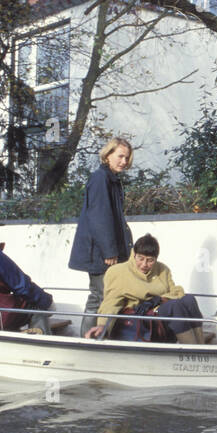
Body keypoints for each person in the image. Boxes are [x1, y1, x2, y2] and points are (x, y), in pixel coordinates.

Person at [84, 234, 207, 344]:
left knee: (189, 300)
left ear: (156, 259)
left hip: (157, 309)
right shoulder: (119, 272)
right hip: (138, 315)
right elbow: (110, 302)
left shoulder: (162, 269)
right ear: (134, 255)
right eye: (140, 258)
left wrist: (160, 299)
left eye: (150, 260)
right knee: (175, 307)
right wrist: (102, 325)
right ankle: (191, 350)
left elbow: (176, 291)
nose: (144, 264)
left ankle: (201, 346)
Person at [69, 137, 134, 333]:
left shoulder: (111, 179)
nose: (124, 161)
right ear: (107, 155)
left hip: (106, 251)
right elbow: (99, 217)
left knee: (108, 295)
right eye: (120, 156)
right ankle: (87, 340)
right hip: (100, 252)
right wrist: (109, 251)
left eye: (127, 157)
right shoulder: (100, 178)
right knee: (99, 296)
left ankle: (100, 336)